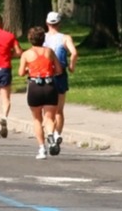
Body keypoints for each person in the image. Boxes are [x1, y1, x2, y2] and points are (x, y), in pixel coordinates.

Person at [18, 26, 63, 160]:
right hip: (49, 86)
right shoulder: (49, 52)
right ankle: (51, 135)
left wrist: (28, 70)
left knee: (37, 118)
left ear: (29, 39)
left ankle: (42, 149)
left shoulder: (26, 54)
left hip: (34, 86)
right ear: (43, 39)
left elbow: (20, 73)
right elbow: (59, 70)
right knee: (49, 117)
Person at [44, 12, 78, 155]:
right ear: (59, 24)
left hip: (46, 75)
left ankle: (51, 135)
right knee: (59, 109)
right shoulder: (65, 38)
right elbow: (74, 52)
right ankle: (58, 134)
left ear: (47, 23)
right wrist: (71, 66)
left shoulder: (43, 38)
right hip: (61, 75)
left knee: (47, 112)